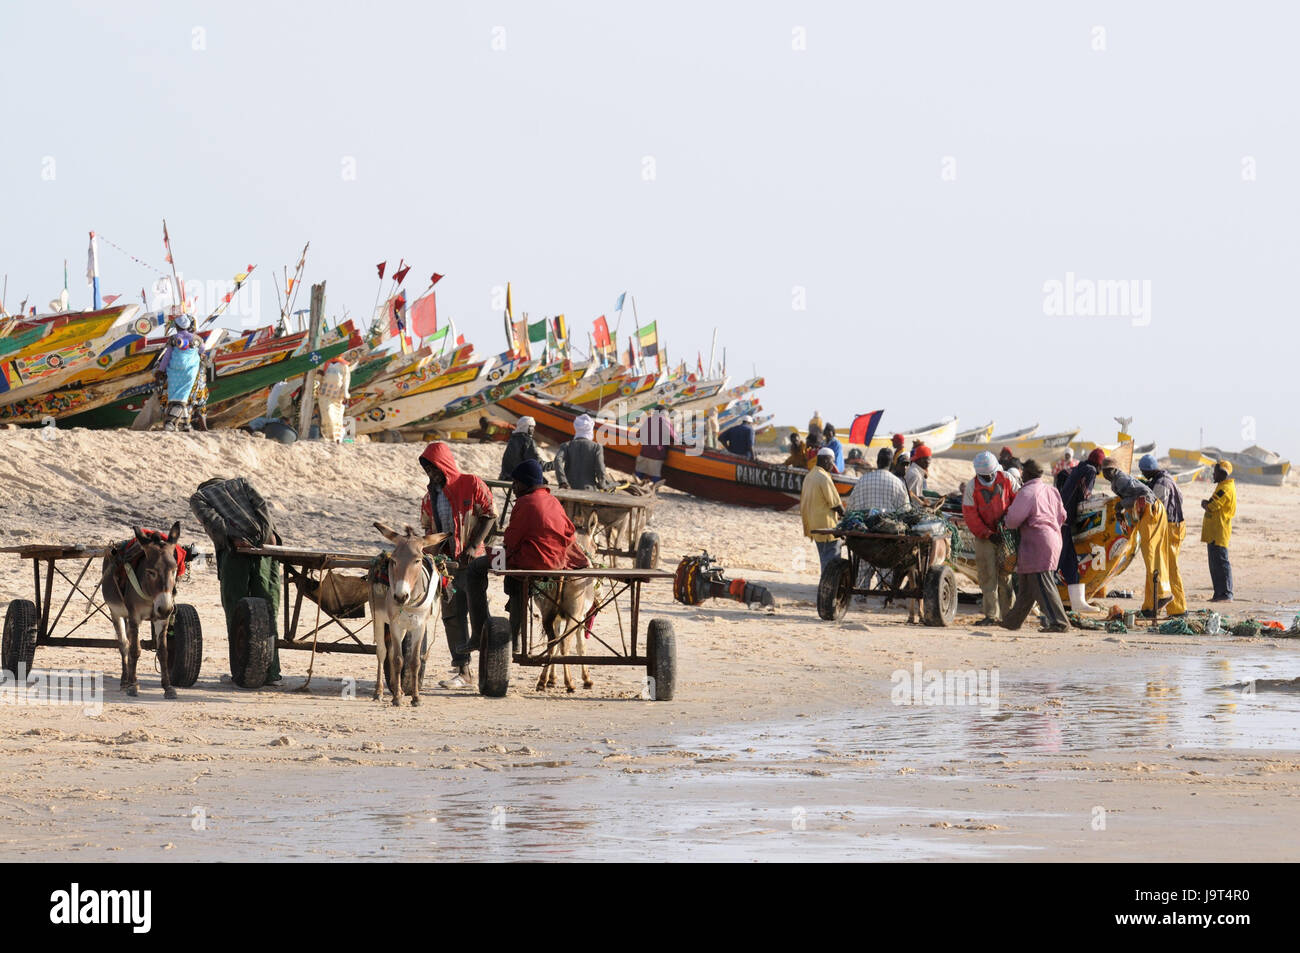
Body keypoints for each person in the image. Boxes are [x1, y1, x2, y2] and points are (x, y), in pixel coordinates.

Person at [189, 477, 284, 686]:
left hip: (235, 555)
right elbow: (262, 507)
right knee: (269, 610)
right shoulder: (241, 483)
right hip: (267, 551)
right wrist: (265, 536)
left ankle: (241, 673)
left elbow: (214, 523)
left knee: (236, 613)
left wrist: (234, 539)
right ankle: (271, 673)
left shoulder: (199, 498)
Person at [418, 441, 497, 689]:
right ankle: (463, 670)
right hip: (447, 564)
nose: (432, 474)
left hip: (473, 562)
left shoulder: (472, 483)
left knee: (477, 612)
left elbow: (489, 515)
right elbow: (430, 530)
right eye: (428, 470)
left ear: (444, 465)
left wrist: (473, 547)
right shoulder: (429, 497)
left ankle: (488, 667)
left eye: (434, 469)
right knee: (452, 615)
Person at [488, 459, 587, 639]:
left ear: (526, 483)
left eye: (516, 483)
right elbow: (569, 531)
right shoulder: (554, 501)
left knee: (479, 570)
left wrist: (503, 550)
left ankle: (509, 631)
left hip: (533, 563)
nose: (514, 487)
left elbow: (511, 539)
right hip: (558, 562)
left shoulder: (524, 503)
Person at [1000, 459, 1071, 632]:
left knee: (1043, 583)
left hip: (1038, 544)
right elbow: (1063, 516)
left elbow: (1012, 521)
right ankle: (1012, 621)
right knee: (1027, 587)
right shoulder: (1051, 490)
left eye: (1023, 472)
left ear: (1027, 473)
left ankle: (1060, 623)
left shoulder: (1027, 492)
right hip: (1053, 538)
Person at [962, 451, 1017, 625]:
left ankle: (1008, 615)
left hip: (1006, 535)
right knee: (987, 576)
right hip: (984, 537)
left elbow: (1019, 502)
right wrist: (987, 534)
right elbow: (970, 516)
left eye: (990, 475)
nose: (988, 478)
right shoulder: (972, 487)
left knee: (1005, 576)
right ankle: (990, 615)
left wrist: (1008, 523)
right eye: (984, 476)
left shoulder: (1008, 479)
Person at [1057, 447, 1106, 612]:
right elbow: (1086, 496)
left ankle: (1078, 602)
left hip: (1063, 517)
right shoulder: (1091, 470)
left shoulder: (1079, 466)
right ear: (1100, 464)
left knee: (1070, 562)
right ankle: (1034, 602)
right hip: (1064, 520)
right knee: (1055, 562)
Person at [1140, 453, 1186, 617]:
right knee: (1153, 565)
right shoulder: (1166, 479)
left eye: (1143, 472)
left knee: (1169, 569)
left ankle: (1178, 608)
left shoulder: (1162, 484)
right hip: (1173, 526)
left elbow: (1156, 507)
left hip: (1169, 528)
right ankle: (1150, 606)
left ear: (1148, 470)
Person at [801, 447, 845, 571]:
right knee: (832, 564)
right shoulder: (824, 477)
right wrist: (847, 518)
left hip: (814, 525)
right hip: (827, 528)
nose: (832, 466)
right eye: (832, 462)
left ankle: (825, 586)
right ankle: (828, 588)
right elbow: (836, 504)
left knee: (824, 561)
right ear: (826, 461)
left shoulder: (809, 476)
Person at [157, 313, 203, 432]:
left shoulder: (173, 339)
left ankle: (170, 423)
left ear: (177, 326)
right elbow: (203, 350)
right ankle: (184, 424)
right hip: (189, 371)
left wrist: (160, 370)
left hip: (174, 371)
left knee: (175, 397)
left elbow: (167, 356)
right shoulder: (197, 339)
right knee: (183, 396)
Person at [1201, 460, 1237, 603]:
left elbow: (1211, 506)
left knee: (1221, 563)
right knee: (1215, 564)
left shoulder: (1225, 489)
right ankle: (1219, 593)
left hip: (1219, 531)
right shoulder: (1223, 486)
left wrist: (1205, 503)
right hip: (1214, 532)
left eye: (1215, 472)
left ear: (1222, 473)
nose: (1213, 474)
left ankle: (1226, 593)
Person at [554, 413, 611, 491]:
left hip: (569, 488)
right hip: (588, 489)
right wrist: (602, 484)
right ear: (591, 430)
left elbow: (557, 460)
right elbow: (600, 468)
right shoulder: (596, 447)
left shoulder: (566, 445)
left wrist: (562, 481)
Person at [846, 448, 910, 513]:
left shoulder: (862, 480)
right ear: (891, 464)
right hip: (889, 522)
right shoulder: (898, 483)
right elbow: (905, 510)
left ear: (877, 462)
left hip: (864, 522)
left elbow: (850, 508)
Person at [636, 404, 677, 482]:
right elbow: (674, 438)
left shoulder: (649, 420)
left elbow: (638, 435)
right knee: (655, 475)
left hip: (644, 451)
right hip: (657, 454)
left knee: (639, 471)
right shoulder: (666, 422)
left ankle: (635, 486)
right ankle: (653, 489)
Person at [317, 356, 353, 443]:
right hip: (324, 395)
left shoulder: (344, 366)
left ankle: (337, 438)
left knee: (337, 417)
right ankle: (329, 437)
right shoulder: (324, 363)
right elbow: (318, 378)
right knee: (327, 415)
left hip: (337, 397)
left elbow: (346, 380)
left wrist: (345, 394)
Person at [498, 416, 542, 480]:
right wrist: (554, 465)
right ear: (527, 427)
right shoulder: (528, 441)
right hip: (520, 480)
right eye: (532, 427)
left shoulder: (512, 439)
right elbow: (537, 463)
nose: (533, 429)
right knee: (544, 482)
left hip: (505, 477)